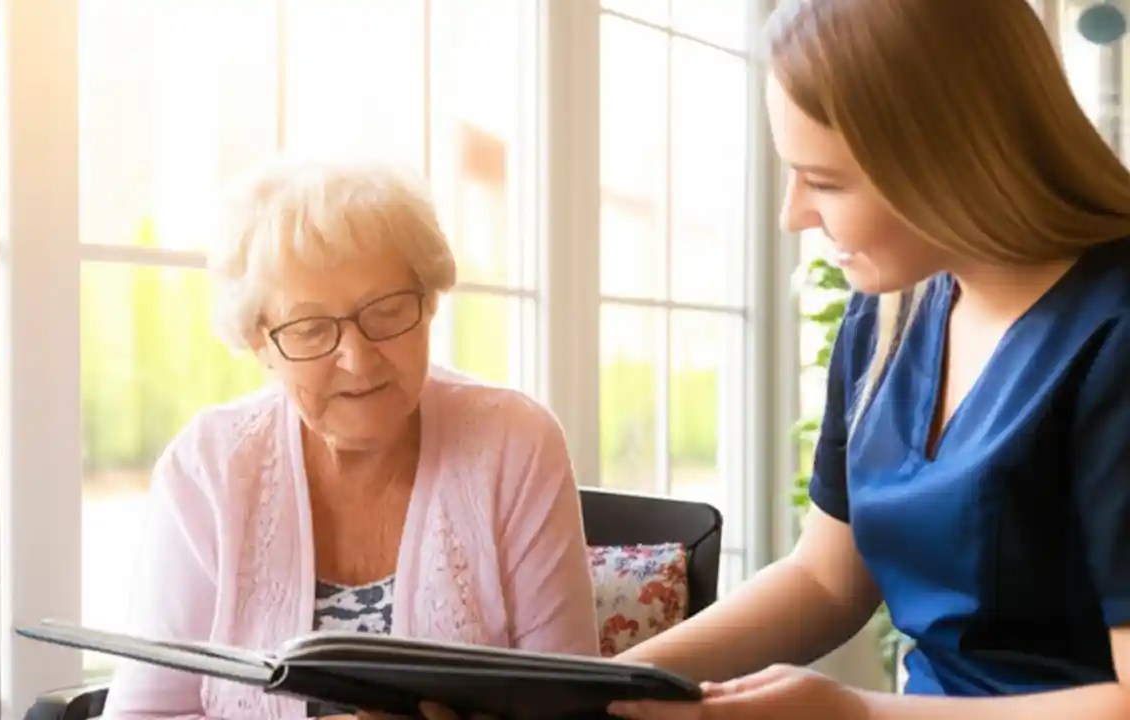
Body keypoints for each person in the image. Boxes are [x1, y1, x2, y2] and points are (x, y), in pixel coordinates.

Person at [603, 1, 1130, 719]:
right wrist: (591, 687)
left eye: (823, 181)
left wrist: (860, 714)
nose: (794, 214)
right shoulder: (889, 314)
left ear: (947, 157)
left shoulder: (1114, 338)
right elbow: (827, 580)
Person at [102, 158, 600, 719]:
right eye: (312, 329)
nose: (358, 360)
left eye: (386, 313)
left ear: (430, 302)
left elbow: (569, 712)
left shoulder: (515, 445)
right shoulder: (208, 467)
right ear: (260, 342)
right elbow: (142, 715)